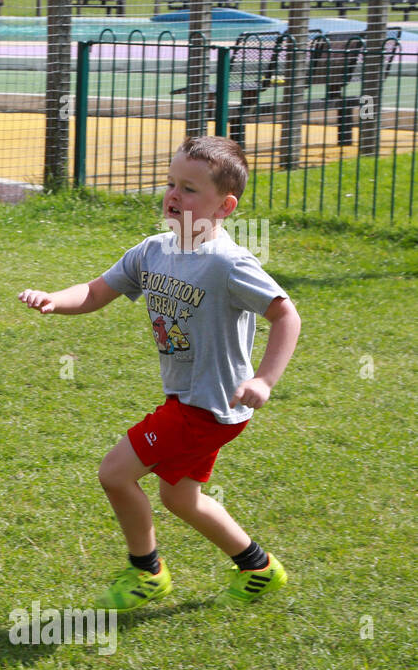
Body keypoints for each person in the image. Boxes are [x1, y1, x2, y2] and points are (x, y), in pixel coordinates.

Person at [17, 136, 301, 611]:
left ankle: (146, 572)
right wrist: (54, 299)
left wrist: (264, 380)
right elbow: (93, 292)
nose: (173, 195)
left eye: (189, 189)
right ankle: (259, 568)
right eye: (171, 183)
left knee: (115, 474)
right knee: (181, 498)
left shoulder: (228, 263)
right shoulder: (153, 251)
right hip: (190, 400)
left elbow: (285, 315)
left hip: (210, 405)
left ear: (224, 206)